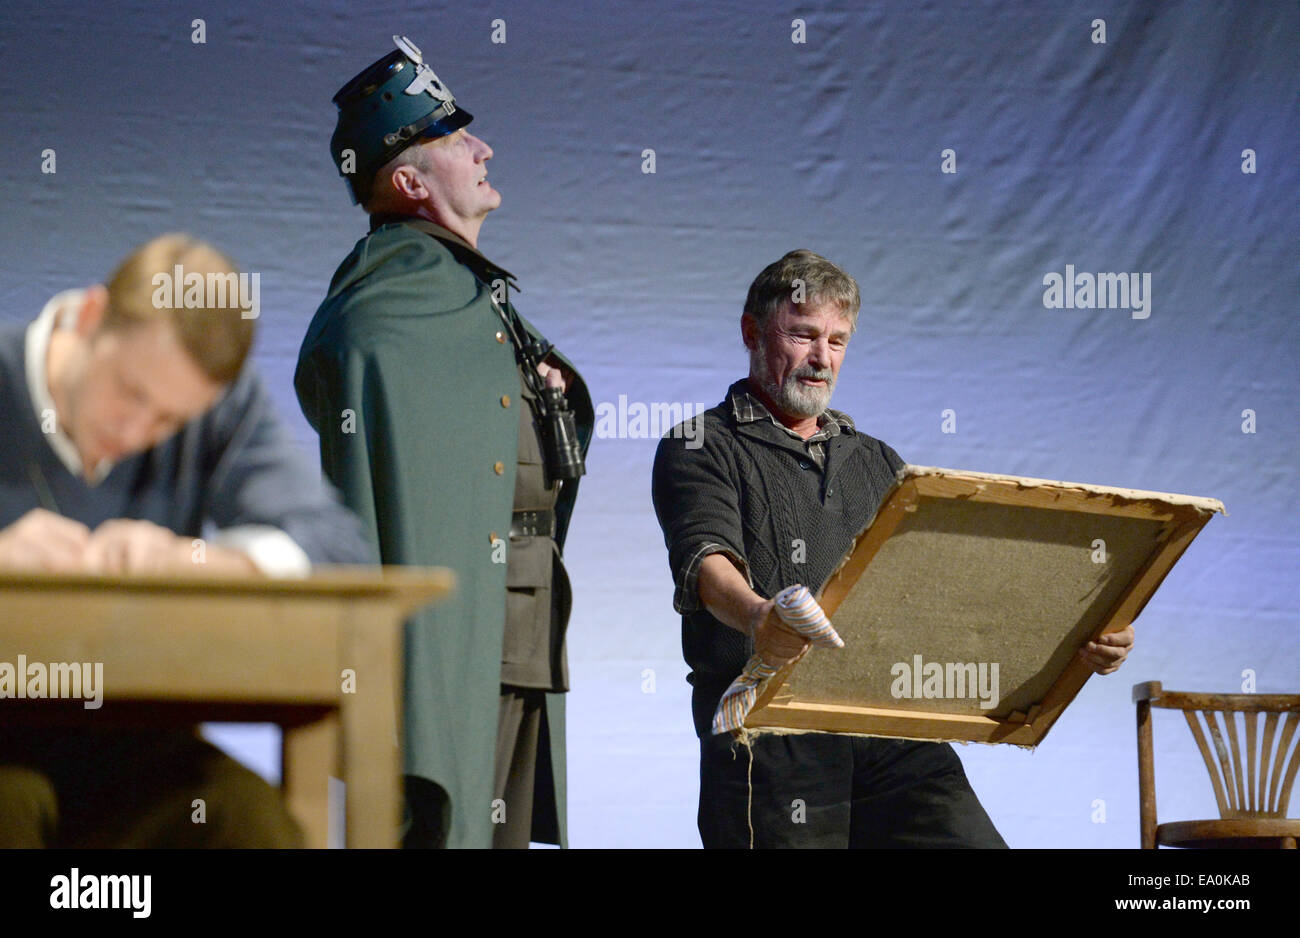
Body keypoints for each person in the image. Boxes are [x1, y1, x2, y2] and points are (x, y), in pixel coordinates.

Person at [651, 249, 1134, 848]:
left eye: (838, 340)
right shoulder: (701, 444)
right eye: (802, 335)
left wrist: (1073, 643)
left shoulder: (879, 462)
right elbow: (706, 560)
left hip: (887, 728)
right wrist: (757, 616)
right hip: (771, 731)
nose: (821, 358)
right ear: (752, 332)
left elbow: (943, 602)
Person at [296, 36, 592, 849]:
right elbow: (357, 388)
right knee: (443, 827)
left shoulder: (467, 292)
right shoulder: (383, 305)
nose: (483, 147)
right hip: (459, 636)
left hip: (524, 625)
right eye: (458, 139)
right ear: (410, 181)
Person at [0, 233, 374, 848]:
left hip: (133, 748)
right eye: (129, 391)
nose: (138, 430)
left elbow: (335, 545)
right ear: (92, 317)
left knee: (250, 823)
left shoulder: (223, 409)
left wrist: (200, 561)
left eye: (170, 420)